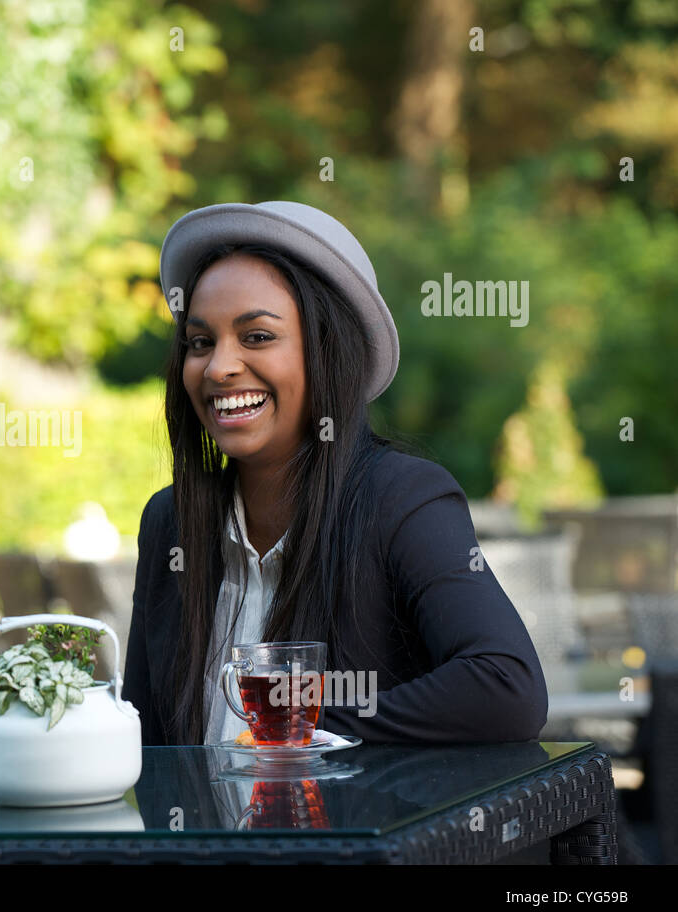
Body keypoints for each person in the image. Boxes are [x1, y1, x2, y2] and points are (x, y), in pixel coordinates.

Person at [123, 201, 548, 747]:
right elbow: (142, 737)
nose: (219, 367)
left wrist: (301, 725)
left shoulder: (401, 500)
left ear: (329, 351)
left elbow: (507, 687)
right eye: (200, 342)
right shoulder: (171, 521)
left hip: (351, 832)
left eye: (256, 337)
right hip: (201, 832)